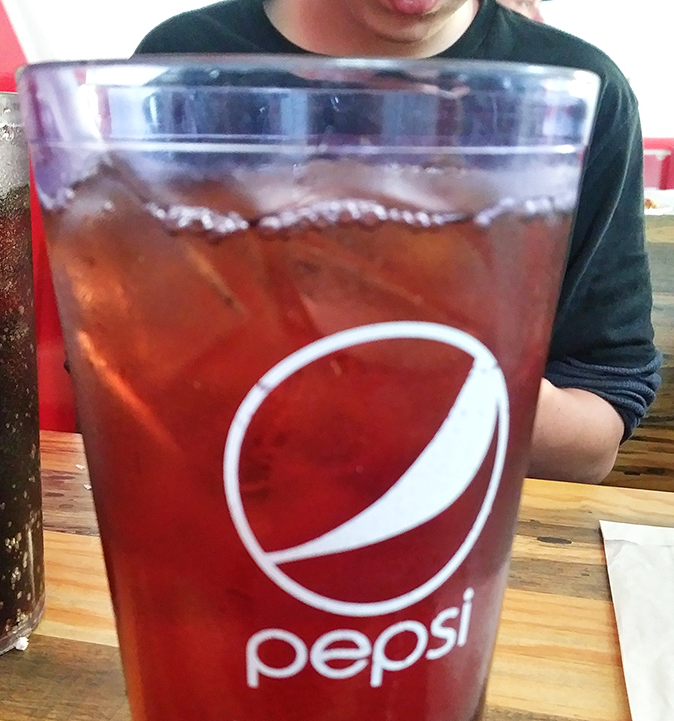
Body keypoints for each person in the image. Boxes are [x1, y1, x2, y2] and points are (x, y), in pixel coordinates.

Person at [135, 0, 661, 484]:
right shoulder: (182, 64)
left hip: (454, 542)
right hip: (220, 515)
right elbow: (122, 385)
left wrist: (422, 364)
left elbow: (593, 442)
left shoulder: (574, 93)